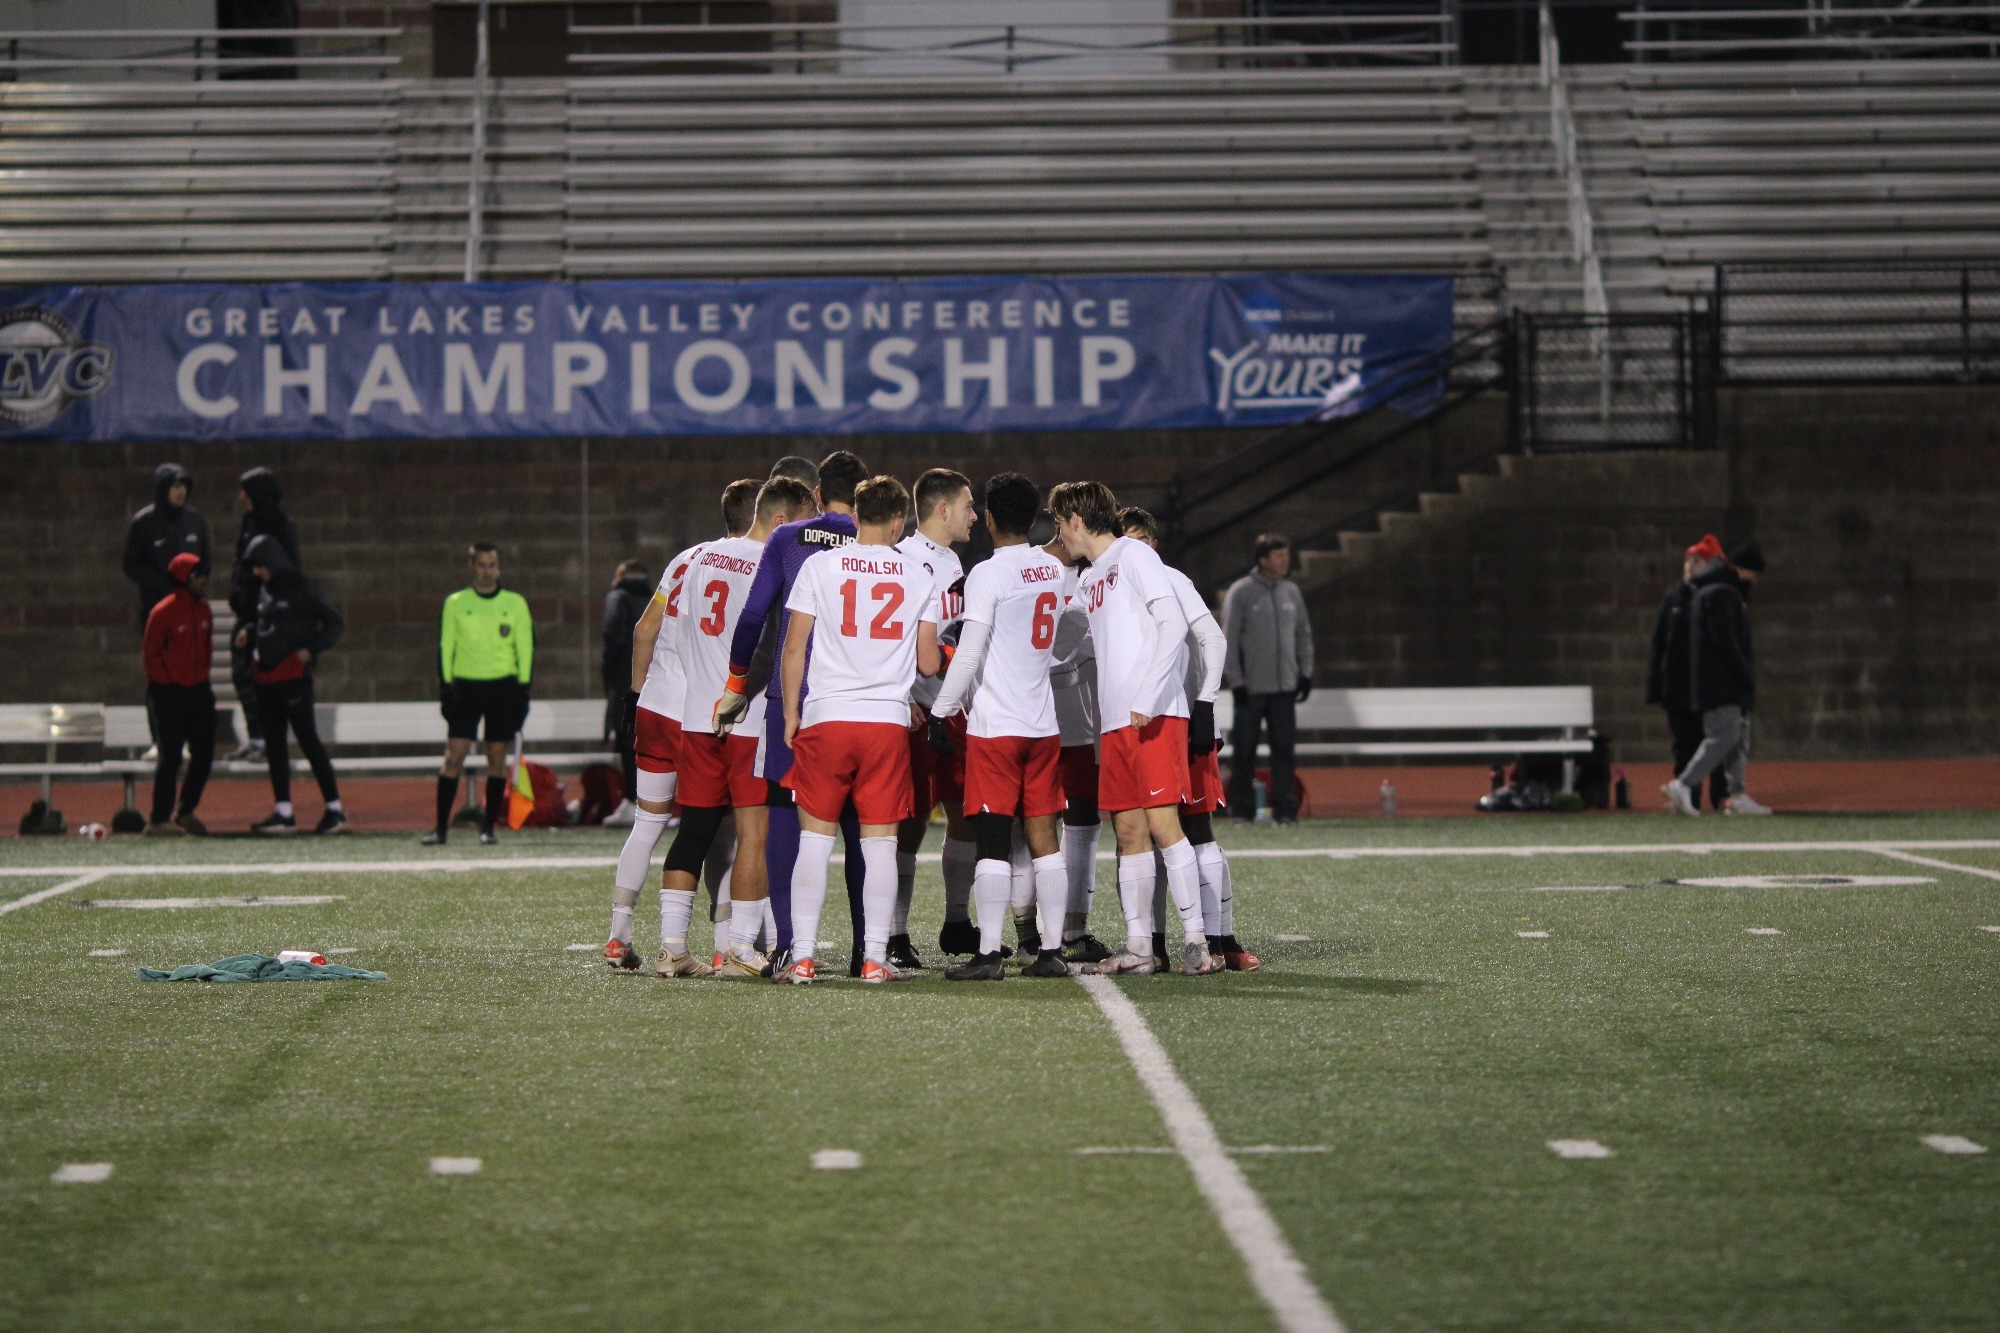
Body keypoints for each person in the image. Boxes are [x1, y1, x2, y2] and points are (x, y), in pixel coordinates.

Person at [772, 475, 943, 984]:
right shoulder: (919, 575)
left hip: (828, 716)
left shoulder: (820, 566)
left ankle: (802, 956)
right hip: (885, 722)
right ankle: (873, 957)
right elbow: (929, 663)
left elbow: (794, 647)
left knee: (814, 840)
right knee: (881, 844)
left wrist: (790, 714)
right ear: (898, 522)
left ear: (855, 516)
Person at [717, 450, 875, 977]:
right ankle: (866, 952)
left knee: (785, 816)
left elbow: (753, 618)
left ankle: (788, 946)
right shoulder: (877, 544)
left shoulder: (787, 539)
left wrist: (736, 683)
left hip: (792, 700)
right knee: (859, 824)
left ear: (816, 495)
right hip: (857, 701)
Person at [1049, 480, 1215, 977]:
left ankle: (1197, 943)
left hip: (1153, 714)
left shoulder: (1134, 555)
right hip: (1116, 722)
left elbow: (1173, 625)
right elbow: (1060, 646)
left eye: (1059, 524)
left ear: (1077, 521)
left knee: (1164, 826)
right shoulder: (1091, 576)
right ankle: (1140, 947)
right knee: (1127, 832)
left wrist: (1146, 697)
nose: (1059, 535)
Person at [659, 477, 817, 978]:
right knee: (755, 834)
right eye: (801, 524)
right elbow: (769, 643)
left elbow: (679, 631)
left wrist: (702, 688)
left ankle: (671, 948)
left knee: (694, 830)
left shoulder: (698, 557)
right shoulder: (771, 563)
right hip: (745, 719)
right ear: (780, 520)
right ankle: (740, 951)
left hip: (697, 715)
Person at [928, 473, 1074, 981]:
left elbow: (968, 654)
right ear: (1033, 518)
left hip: (997, 726)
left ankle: (989, 954)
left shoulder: (988, 573)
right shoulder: (1052, 569)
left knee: (992, 839)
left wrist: (941, 711)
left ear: (989, 518)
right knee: (1044, 837)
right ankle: (1050, 951)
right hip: (1043, 723)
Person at [1120, 507, 1259, 972]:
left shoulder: (1171, 579)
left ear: (1154, 545)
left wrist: (1205, 705)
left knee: (1197, 831)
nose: (1134, 549)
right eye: (1126, 540)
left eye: (1141, 540)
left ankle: (1223, 941)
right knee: (1141, 837)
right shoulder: (1110, 586)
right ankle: (1154, 944)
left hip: (1181, 722)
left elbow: (1213, 640)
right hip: (1136, 726)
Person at [601, 527, 709, 969]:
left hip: (655, 704)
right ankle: (728, 945)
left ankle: (618, 935)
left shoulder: (686, 557)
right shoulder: (750, 562)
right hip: (698, 713)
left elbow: (645, 628)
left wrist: (634, 694)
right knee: (716, 828)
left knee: (646, 822)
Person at [894, 467, 978, 969]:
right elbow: (894, 638)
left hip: (952, 704)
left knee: (965, 811)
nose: (974, 515)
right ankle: (896, 932)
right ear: (942, 509)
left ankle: (956, 921)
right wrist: (901, 695)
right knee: (911, 818)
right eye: (967, 505)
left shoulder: (952, 560)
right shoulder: (902, 559)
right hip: (915, 705)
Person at [426, 543, 533, 847]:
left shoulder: (515, 603)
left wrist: (523, 689)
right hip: (465, 688)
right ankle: (440, 829)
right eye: (482, 565)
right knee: (454, 756)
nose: (487, 571)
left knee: (496, 758)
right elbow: (446, 645)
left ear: (499, 567)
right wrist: (446, 687)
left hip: (503, 688)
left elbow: (525, 647)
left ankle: (488, 828)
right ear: (471, 566)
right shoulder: (456, 603)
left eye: (492, 565)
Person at [242, 533, 346, 835]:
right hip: (265, 677)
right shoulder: (266, 590)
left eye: (259, 565)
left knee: (308, 740)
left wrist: (311, 649)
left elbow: (334, 622)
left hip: (292, 677)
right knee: (275, 744)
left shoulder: (302, 587)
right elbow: (272, 624)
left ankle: (334, 809)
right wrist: (250, 632)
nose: (256, 572)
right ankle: (284, 811)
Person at [1664, 541, 1772, 817]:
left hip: (1723, 680)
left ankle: (1736, 795)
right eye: (1754, 574)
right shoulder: (1721, 593)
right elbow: (1725, 642)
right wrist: (1743, 675)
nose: (1754, 581)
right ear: (1745, 569)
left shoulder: (1719, 589)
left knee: (1738, 737)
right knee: (1723, 736)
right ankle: (1684, 783)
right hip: (1720, 681)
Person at [1045, 534, 1111, 963]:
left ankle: (1074, 925)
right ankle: (1028, 930)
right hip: (1030, 720)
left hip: (1083, 722)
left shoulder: (1099, 575)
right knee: (1027, 826)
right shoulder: (1028, 569)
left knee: (1084, 820)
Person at [1222, 533, 1314, 825]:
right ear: (1262, 559)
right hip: (1251, 688)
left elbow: (1303, 634)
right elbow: (1229, 638)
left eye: (1286, 555)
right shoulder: (1242, 592)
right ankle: (1241, 810)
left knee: (1284, 751)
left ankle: (1285, 810)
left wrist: (1305, 673)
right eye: (1279, 556)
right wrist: (1236, 680)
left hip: (1284, 687)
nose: (1286, 561)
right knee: (1244, 751)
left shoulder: (1291, 592)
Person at [1646, 533, 1728, 811]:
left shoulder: (1720, 598)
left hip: (1710, 687)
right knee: (1684, 746)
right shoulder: (1674, 599)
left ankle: (1721, 797)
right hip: (1679, 687)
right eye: (1688, 561)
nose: (1690, 566)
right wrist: (1655, 684)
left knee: (1716, 744)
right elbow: (1659, 644)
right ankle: (1687, 798)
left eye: (1698, 561)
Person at [226, 468, 300, 763]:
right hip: (245, 613)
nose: (241, 497)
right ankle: (257, 738)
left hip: (267, 616)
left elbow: (288, 570)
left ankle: (270, 740)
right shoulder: (249, 523)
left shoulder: (280, 525)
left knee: (265, 679)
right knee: (242, 675)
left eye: (246, 491)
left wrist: (268, 613)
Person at [141, 553, 215, 836]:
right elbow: (151, 654)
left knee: (204, 754)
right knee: (170, 757)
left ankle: (185, 811)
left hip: (199, 690)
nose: (204, 581)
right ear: (184, 579)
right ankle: (159, 819)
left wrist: (201, 678)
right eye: (198, 576)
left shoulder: (204, 610)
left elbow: (206, 647)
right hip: (169, 693)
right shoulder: (163, 612)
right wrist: (166, 683)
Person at [123, 463, 210, 629]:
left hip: (191, 610)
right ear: (164, 488)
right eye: (176, 486)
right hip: (157, 608)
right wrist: (162, 583)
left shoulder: (195, 520)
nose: (181, 492)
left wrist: (198, 580)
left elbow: (205, 557)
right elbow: (131, 564)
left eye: (184, 486)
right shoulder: (144, 522)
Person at [599, 558, 653, 827]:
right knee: (652, 745)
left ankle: (634, 801)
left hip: (626, 683)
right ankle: (655, 805)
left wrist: (609, 675)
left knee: (628, 743)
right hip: (657, 682)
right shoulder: (658, 599)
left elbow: (612, 637)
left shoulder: (617, 598)